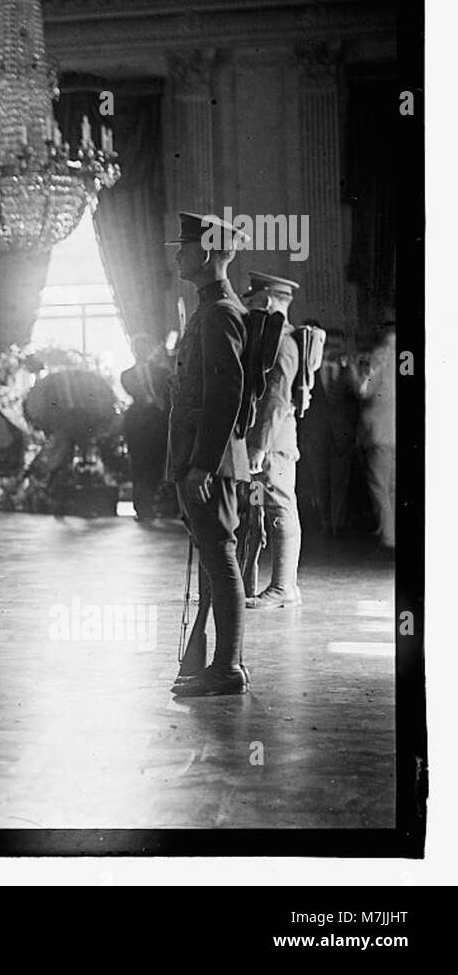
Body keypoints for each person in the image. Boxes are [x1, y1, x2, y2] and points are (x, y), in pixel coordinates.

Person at [164, 212, 252, 697]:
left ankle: (228, 668)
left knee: (220, 557)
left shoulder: (219, 313)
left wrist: (201, 462)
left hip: (208, 463)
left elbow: (226, 395)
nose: (179, 254)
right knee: (214, 557)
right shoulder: (208, 310)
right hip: (202, 459)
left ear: (208, 253)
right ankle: (219, 664)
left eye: (186, 247)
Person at [239, 272, 304, 609]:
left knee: (280, 507)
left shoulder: (283, 342)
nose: (250, 308)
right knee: (262, 508)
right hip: (266, 440)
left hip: (274, 443)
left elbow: (277, 399)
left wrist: (260, 445)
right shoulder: (273, 339)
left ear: (266, 301)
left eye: (254, 301)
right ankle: (270, 584)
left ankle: (284, 587)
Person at [297, 325, 359, 538]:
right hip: (316, 434)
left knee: (340, 480)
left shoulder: (348, 371)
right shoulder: (310, 369)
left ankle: (338, 524)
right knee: (319, 480)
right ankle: (325, 523)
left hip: (341, 435)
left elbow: (358, 397)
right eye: (329, 344)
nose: (333, 349)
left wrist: (350, 368)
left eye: (337, 345)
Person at [355, 313, 397, 551]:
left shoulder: (380, 356)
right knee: (393, 486)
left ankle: (388, 538)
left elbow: (364, 391)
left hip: (379, 431)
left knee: (379, 485)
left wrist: (364, 374)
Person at [120, 334, 171, 522]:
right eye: (138, 348)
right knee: (139, 466)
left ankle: (159, 504)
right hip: (138, 424)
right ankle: (143, 508)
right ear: (134, 350)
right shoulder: (126, 375)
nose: (142, 352)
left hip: (158, 423)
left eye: (146, 348)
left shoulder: (164, 373)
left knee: (158, 464)